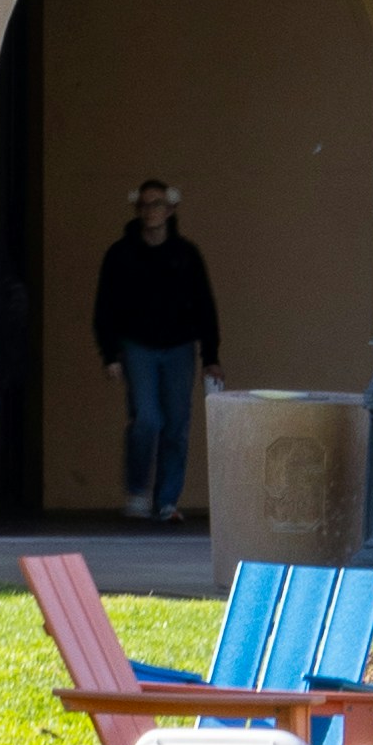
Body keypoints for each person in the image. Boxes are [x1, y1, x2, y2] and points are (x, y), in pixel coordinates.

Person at [89, 173, 219, 528]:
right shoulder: (120, 255)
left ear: (171, 209)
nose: (151, 211)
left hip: (179, 348)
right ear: (137, 209)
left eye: (157, 204)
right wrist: (110, 354)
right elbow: (106, 308)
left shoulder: (186, 255)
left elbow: (205, 306)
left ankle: (166, 501)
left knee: (177, 425)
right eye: (145, 205)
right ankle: (136, 492)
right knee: (147, 419)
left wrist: (211, 357)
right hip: (137, 347)